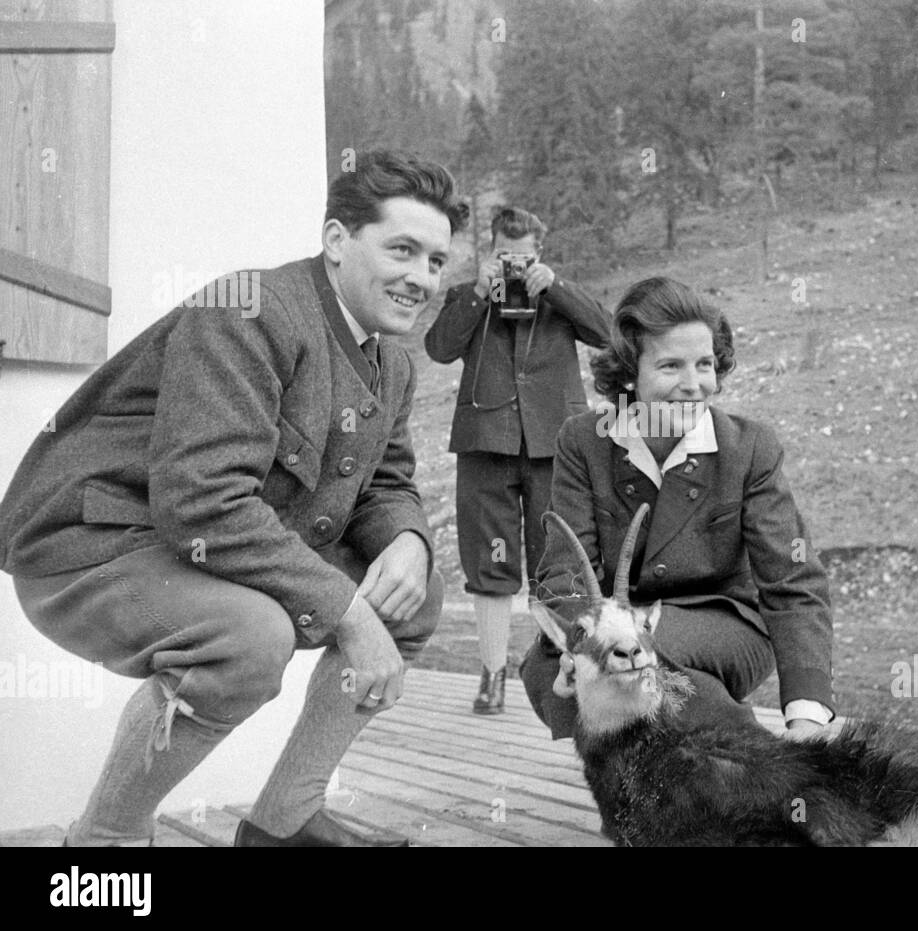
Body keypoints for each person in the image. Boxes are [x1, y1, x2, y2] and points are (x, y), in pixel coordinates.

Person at [0, 150, 466, 847]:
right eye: (403, 250)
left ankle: (287, 825)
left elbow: (387, 483)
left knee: (411, 590)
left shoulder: (390, 361)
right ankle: (103, 846)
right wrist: (345, 612)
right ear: (337, 240)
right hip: (91, 546)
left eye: (435, 261)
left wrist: (407, 540)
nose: (421, 278)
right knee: (250, 638)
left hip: (188, 542)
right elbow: (203, 500)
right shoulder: (251, 310)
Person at [520, 277, 835, 740]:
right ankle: (693, 751)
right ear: (630, 372)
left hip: (729, 625)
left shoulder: (750, 448)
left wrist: (807, 715)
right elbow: (566, 568)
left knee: (643, 650)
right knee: (548, 667)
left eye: (704, 364)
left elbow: (794, 584)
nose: (694, 385)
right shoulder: (584, 441)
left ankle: (746, 767)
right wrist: (576, 645)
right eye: (671, 366)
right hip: (619, 619)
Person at [425, 207, 609, 715]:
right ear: (490, 250)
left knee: (559, 559)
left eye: (524, 255)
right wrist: (480, 293)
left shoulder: (559, 297)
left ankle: (565, 673)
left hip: (555, 445)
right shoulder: (469, 296)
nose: (515, 265)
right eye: (506, 254)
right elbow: (438, 348)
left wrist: (555, 288)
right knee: (490, 562)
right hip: (487, 442)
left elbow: (606, 334)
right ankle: (492, 675)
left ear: (540, 252)